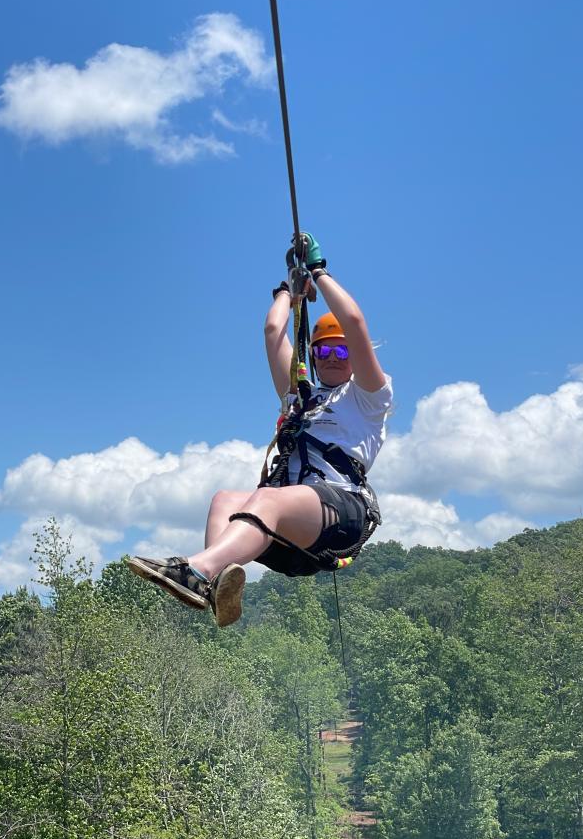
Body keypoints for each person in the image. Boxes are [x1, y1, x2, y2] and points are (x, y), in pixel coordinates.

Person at [128, 235, 392, 627]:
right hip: (292, 530)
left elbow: (353, 322)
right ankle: (217, 584)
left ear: (356, 357)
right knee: (224, 500)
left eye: (342, 352)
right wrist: (289, 288)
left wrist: (318, 274)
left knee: (267, 498)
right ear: (314, 357)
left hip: (342, 510)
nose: (333, 358)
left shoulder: (369, 397)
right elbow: (273, 330)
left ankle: (197, 571)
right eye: (324, 351)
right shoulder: (299, 397)